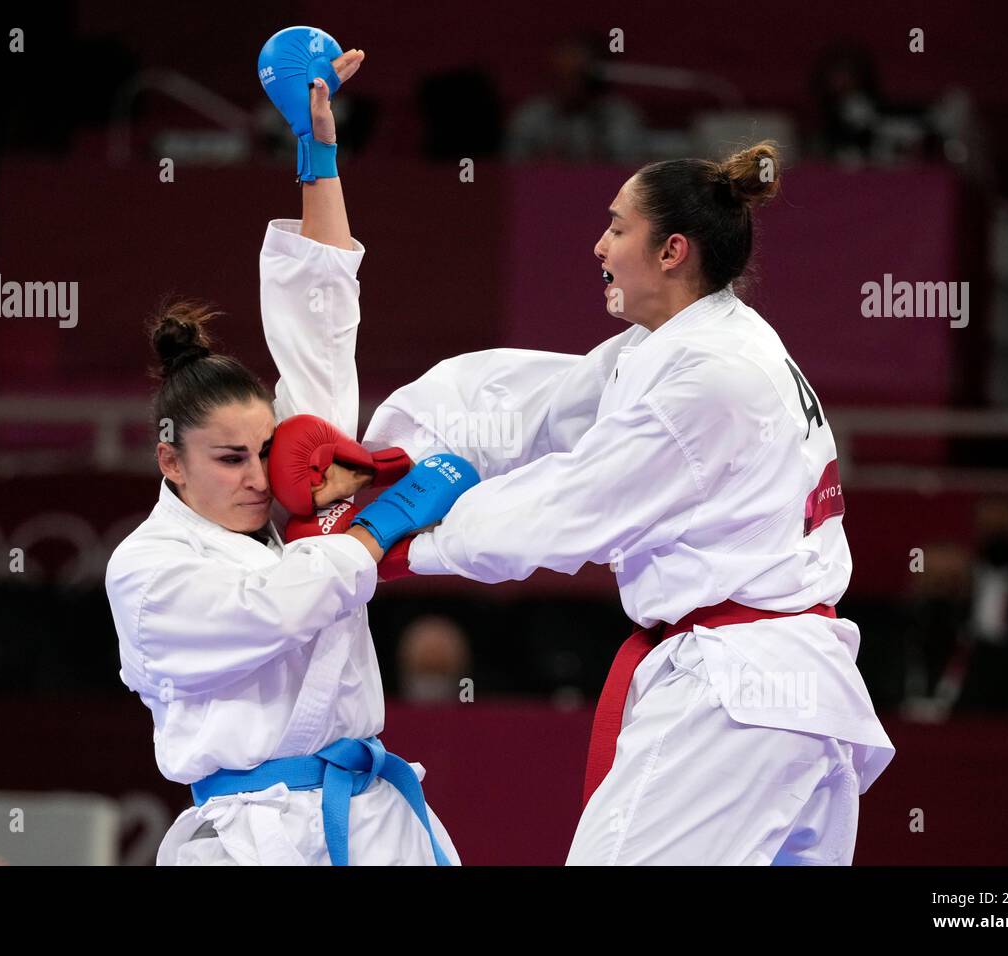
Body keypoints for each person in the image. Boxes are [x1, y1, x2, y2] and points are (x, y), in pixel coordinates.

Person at [357, 141, 896, 864]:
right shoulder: (688, 347)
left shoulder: (708, 378)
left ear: (672, 250)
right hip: (783, 698)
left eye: (616, 227)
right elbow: (533, 408)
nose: (598, 244)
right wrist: (380, 459)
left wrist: (396, 540)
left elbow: (567, 508)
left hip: (737, 700)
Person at [105, 42, 470, 866]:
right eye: (228, 459)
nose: (256, 475)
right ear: (171, 463)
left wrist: (317, 153)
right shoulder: (146, 568)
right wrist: (375, 533)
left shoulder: (292, 510)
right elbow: (274, 608)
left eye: (263, 450)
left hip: (373, 815)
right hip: (247, 836)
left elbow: (322, 314)